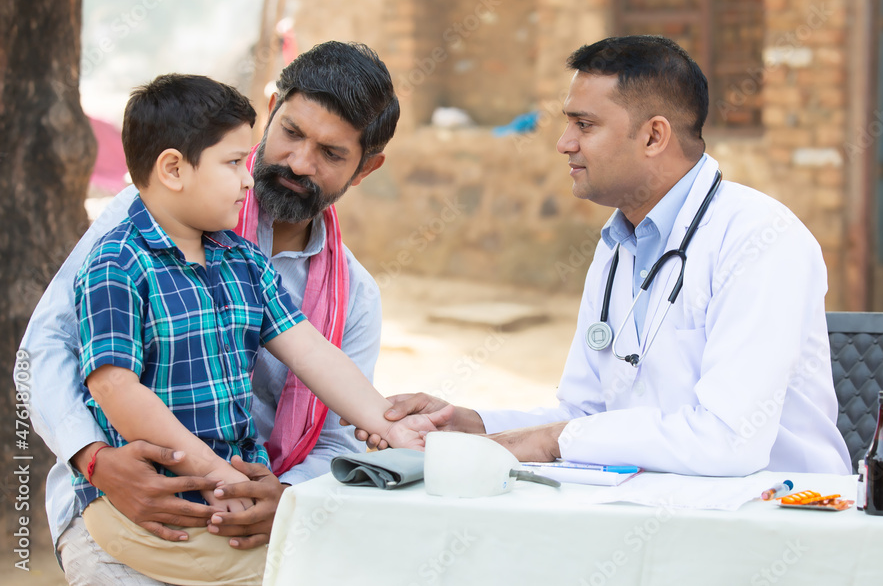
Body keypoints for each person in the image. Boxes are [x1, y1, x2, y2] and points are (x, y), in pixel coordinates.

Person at [354, 35, 852, 476]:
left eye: (584, 125)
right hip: (657, 508)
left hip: (776, 511)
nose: (563, 143)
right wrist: (469, 424)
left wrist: (547, 442)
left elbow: (727, 441)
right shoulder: (618, 244)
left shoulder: (761, 240)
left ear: (653, 136)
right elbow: (585, 417)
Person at [19, 40, 403, 583]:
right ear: (271, 108)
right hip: (124, 503)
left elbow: (335, 425)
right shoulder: (141, 222)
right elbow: (45, 351)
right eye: (291, 132)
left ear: (366, 168)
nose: (298, 162)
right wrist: (94, 459)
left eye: (331, 154)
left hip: (249, 520)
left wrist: (289, 495)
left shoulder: (344, 293)